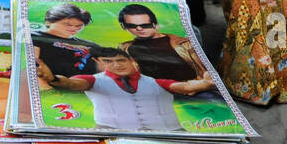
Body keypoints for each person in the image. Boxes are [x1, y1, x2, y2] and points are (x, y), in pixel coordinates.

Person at [51, 48, 214, 131]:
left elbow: (185, 87)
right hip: (111, 132)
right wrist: (54, 79)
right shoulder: (93, 80)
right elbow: (72, 84)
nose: (117, 65)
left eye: (121, 60)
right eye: (109, 61)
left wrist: (205, 83)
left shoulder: (154, 82)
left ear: (132, 61)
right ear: (100, 62)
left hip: (169, 132)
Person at [116, 4, 207, 82]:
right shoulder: (125, 48)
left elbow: (203, 70)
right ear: (124, 26)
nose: (139, 29)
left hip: (193, 91)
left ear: (156, 25)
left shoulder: (184, 43)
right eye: (132, 26)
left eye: (145, 25)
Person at [31, 3, 100, 83]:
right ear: (48, 22)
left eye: (79, 26)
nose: (73, 28)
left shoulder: (92, 45)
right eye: (68, 24)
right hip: (54, 87)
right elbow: (32, 68)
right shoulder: (34, 37)